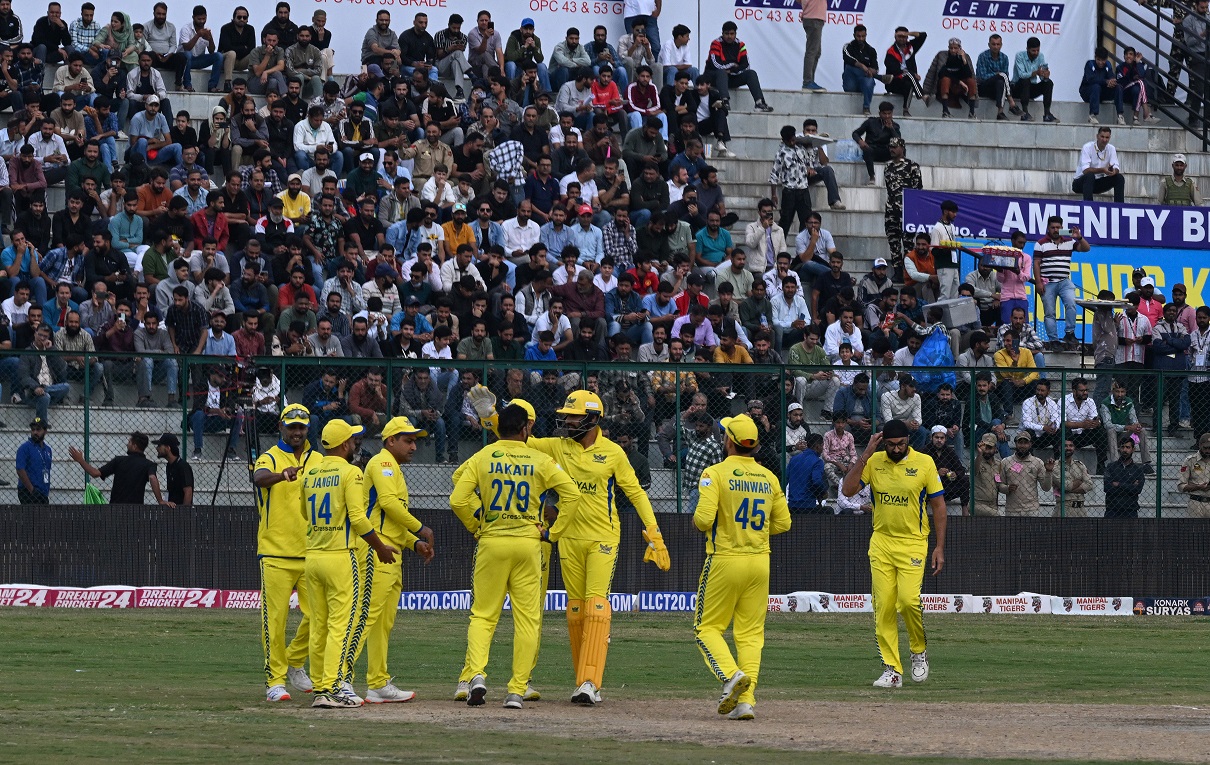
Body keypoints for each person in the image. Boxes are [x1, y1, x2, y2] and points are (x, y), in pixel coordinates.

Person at [466, 386, 670, 705]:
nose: (568, 423)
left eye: (574, 419)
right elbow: (517, 442)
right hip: (568, 538)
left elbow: (637, 493)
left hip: (603, 538)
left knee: (596, 606)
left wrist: (654, 533)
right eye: (567, 418)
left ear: (592, 419)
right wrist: (490, 418)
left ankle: (591, 682)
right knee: (575, 611)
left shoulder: (613, 453)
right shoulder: (557, 447)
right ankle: (582, 682)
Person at [449, 403, 581, 709]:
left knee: (483, 615)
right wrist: (553, 532)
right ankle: (516, 690)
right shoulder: (540, 458)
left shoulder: (483, 457)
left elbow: (458, 498)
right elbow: (572, 494)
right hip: (527, 544)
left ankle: (477, 676)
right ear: (525, 429)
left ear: (498, 428)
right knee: (527, 619)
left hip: (492, 543)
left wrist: (475, 525)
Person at [692, 413, 790, 721]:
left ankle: (731, 675)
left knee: (706, 628)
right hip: (760, 561)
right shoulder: (769, 477)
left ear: (729, 442)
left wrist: (729, 526)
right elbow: (784, 524)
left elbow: (703, 520)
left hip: (725, 559)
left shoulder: (715, 472)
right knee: (750, 635)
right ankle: (745, 702)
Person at [303, 419, 403, 709]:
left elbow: (302, 511)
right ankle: (335, 686)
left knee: (319, 625)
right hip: (340, 556)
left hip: (313, 555)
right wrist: (380, 546)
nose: (355, 444)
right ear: (345, 444)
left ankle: (322, 687)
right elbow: (358, 519)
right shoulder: (351, 472)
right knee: (340, 625)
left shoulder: (310, 473)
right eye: (353, 440)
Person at [841, 419, 945, 689]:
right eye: (890, 445)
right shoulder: (874, 462)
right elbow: (848, 490)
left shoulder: (925, 463)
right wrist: (865, 456)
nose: (896, 449)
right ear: (882, 442)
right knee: (884, 605)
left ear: (908, 440)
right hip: (882, 543)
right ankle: (892, 670)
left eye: (900, 444)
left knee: (908, 602)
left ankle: (918, 650)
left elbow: (939, 506)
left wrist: (939, 546)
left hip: (913, 542)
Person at [355, 416, 435, 704]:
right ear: (391, 441)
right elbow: (388, 504)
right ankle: (338, 679)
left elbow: (389, 515)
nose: (414, 446)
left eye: (415, 441)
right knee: (366, 618)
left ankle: (377, 683)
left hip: (391, 554)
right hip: (377, 552)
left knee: (381, 623)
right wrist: (420, 528)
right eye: (408, 440)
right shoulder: (383, 463)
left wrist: (414, 543)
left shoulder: (395, 469)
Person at [252, 403, 321, 702]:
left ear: (308, 428)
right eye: (291, 426)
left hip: (313, 550)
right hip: (276, 552)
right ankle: (274, 681)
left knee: (321, 615)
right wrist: (282, 475)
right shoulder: (269, 456)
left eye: (301, 426)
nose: (296, 431)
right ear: (281, 427)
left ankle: (295, 660)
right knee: (275, 621)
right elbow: (259, 478)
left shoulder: (318, 458)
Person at [68, 431, 163, 504]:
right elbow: (152, 477)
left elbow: (95, 473)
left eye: (129, 442)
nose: (127, 444)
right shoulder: (149, 464)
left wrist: (80, 460)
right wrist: (160, 501)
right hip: (136, 509)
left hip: (115, 508)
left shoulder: (119, 461)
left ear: (134, 446)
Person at [704, 22, 772, 112]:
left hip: (731, 77)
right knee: (721, 72)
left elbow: (746, 65)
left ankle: (759, 102)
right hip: (714, 78)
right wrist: (732, 64)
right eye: (727, 34)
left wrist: (732, 70)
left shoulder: (740, 45)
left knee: (751, 73)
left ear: (735, 34)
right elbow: (715, 64)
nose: (729, 36)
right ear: (722, 34)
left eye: (732, 34)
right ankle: (725, 101)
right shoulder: (716, 44)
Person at [883, 137, 921, 273]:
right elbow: (889, 189)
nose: (892, 150)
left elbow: (918, 190)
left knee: (908, 243)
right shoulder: (888, 167)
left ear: (902, 148)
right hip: (891, 211)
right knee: (893, 242)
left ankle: (908, 271)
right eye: (890, 147)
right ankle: (897, 271)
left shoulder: (912, 166)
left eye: (895, 147)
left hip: (907, 212)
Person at [997, 431, 1055, 517]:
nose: (1023, 446)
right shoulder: (1005, 462)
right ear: (1016, 444)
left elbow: (1046, 488)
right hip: (1012, 510)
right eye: (1020, 442)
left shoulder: (1037, 462)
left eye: (1025, 443)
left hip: (1032, 510)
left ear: (1030, 444)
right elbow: (999, 485)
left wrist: (1049, 472)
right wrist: (1007, 488)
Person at [768, 125, 813, 235]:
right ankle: (780, 247)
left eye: (793, 139)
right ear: (784, 140)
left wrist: (809, 168)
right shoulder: (781, 153)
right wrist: (774, 194)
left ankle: (803, 246)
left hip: (803, 189)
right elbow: (774, 174)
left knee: (806, 219)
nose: (792, 143)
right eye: (789, 141)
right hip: (789, 191)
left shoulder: (801, 149)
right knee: (786, 220)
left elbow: (809, 162)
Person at [975, 34, 1021, 120]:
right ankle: (1011, 103)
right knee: (1001, 76)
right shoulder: (983, 56)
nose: (996, 47)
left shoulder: (1004, 58)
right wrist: (996, 75)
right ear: (989, 45)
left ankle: (1000, 112)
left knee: (1001, 81)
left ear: (1001, 45)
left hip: (998, 89)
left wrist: (999, 76)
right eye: (993, 44)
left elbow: (1005, 76)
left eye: (998, 44)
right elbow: (982, 76)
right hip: (985, 87)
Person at [1073, 127, 1124, 203]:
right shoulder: (1087, 147)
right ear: (1097, 136)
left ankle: (1119, 207)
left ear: (1109, 138)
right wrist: (1103, 170)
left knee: (1119, 178)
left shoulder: (1111, 148)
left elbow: (1116, 166)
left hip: (1097, 183)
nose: (1104, 140)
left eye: (1107, 137)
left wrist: (1113, 171)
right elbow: (1085, 170)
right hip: (1081, 183)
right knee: (1090, 176)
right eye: (1102, 137)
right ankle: (1089, 206)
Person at [881, 27, 926, 115]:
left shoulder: (911, 47)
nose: (902, 39)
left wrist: (908, 33)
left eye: (904, 36)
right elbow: (894, 70)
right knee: (910, 75)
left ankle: (905, 109)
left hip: (908, 81)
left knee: (910, 83)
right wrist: (912, 74)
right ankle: (922, 95)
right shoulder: (891, 52)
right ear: (895, 37)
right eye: (899, 36)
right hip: (894, 82)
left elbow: (923, 35)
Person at [1012, 36, 1056, 122]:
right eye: (1033, 51)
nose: (1036, 53)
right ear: (1027, 49)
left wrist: (1045, 75)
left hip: (1031, 88)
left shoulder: (1040, 56)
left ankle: (1047, 114)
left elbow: (1041, 76)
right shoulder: (1020, 56)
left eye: (1037, 50)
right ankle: (1024, 113)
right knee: (1025, 80)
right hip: (1018, 88)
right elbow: (1021, 75)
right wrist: (1035, 73)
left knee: (1048, 83)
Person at [1079, 46, 1125, 125]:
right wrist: (1106, 81)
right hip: (1088, 91)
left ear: (1106, 59)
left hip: (1101, 92)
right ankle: (1092, 115)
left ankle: (1120, 116)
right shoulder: (1090, 64)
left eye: (1103, 60)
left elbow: (1111, 77)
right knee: (1096, 86)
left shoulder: (1108, 65)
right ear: (1095, 58)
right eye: (1098, 60)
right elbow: (1091, 80)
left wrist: (1112, 82)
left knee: (1118, 87)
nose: (1100, 62)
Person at [785, 432, 827, 513]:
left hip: (792, 504)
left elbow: (785, 479)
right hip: (808, 505)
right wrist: (823, 492)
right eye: (822, 445)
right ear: (818, 446)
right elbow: (817, 481)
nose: (823, 448)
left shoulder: (794, 459)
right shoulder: (817, 462)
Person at [1104, 435, 1145, 518]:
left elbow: (1137, 490)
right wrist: (1130, 485)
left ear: (1133, 449)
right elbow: (1107, 488)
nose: (1125, 450)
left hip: (1130, 510)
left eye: (1128, 447)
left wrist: (1118, 484)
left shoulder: (1138, 469)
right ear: (1119, 449)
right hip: (1112, 510)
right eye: (1122, 447)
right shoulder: (1111, 467)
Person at [842, 24, 879, 115]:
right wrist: (862, 66)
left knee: (869, 80)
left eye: (863, 36)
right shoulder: (848, 47)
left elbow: (875, 67)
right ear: (854, 36)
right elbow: (847, 58)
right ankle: (879, 78)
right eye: (858, 36)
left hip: (864, 80)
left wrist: (870, 71)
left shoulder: (871, 50)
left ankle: (866, 107)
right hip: (850, 81)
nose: (861, 38)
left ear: (866, 35)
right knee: (849, 67)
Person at [16, 417, 51, 504]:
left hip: (43, 491)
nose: (35, 432)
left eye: (38, 430)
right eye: (33, 429)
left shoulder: (48, 450)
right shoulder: (25, 448)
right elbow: (20, 469)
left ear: (45, 431)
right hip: (28, 491)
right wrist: (31, 490)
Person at [153, 432, 193, 507]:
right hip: (173, 510)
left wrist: (184, 513)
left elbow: (188, 491)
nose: (157, 448)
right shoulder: (170, 465)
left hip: (180, 512)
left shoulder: (182, 466)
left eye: (159, 445)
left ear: (168, 448)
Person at [1178, 433, 1210, 518]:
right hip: (1195, 503)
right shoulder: (1190, 461)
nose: (1208, 451)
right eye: (1205, 448)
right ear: (1200, 445)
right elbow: (1181, 486)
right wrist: (1198, 487)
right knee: (1194, 530)